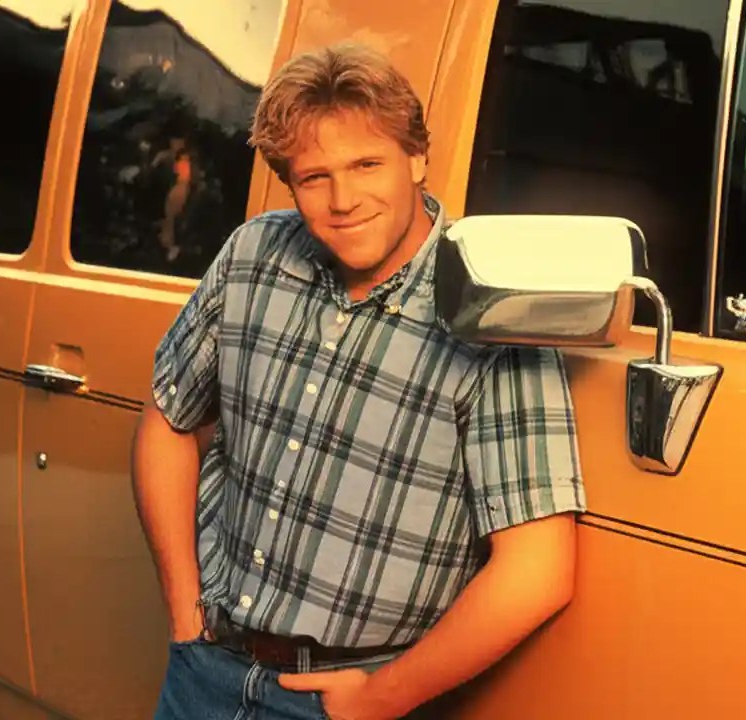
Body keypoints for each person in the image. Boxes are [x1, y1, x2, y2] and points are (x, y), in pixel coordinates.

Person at [132, 43, 585, 720]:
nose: (343, 200)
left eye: (366, 164)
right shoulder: (253, 255)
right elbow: (167, 420)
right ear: (289, 182)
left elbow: (539, 569)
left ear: (416, 159)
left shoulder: (490, 309)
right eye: (314, 177)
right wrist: (183, 610)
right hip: (205, 670)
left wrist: (381, 698)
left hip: (346, 700)